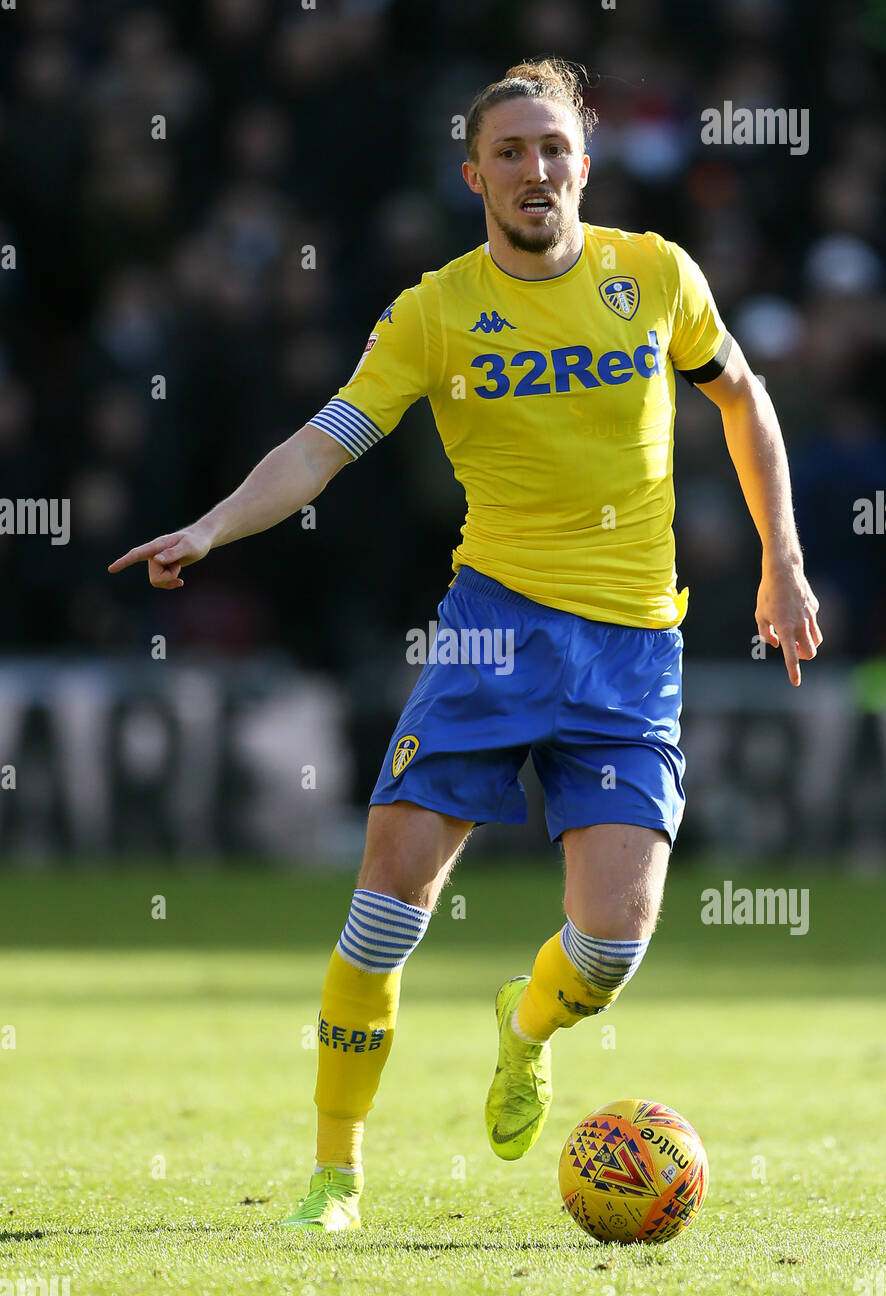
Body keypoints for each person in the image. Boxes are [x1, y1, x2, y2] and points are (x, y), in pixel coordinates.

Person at [109, 58, 822, 1233]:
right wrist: (214, 524)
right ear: (474, 174)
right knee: (388, 897)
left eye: (553, 149)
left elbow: (744, 400)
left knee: (607, 948)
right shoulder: (436, 311)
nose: (534, 170)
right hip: (493, 629)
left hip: (635, 646)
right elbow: (325, 443)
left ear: (584, 164)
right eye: (510, 152)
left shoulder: (655, 274)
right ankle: (334, 1177)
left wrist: (780, 560)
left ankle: (525, 1025)